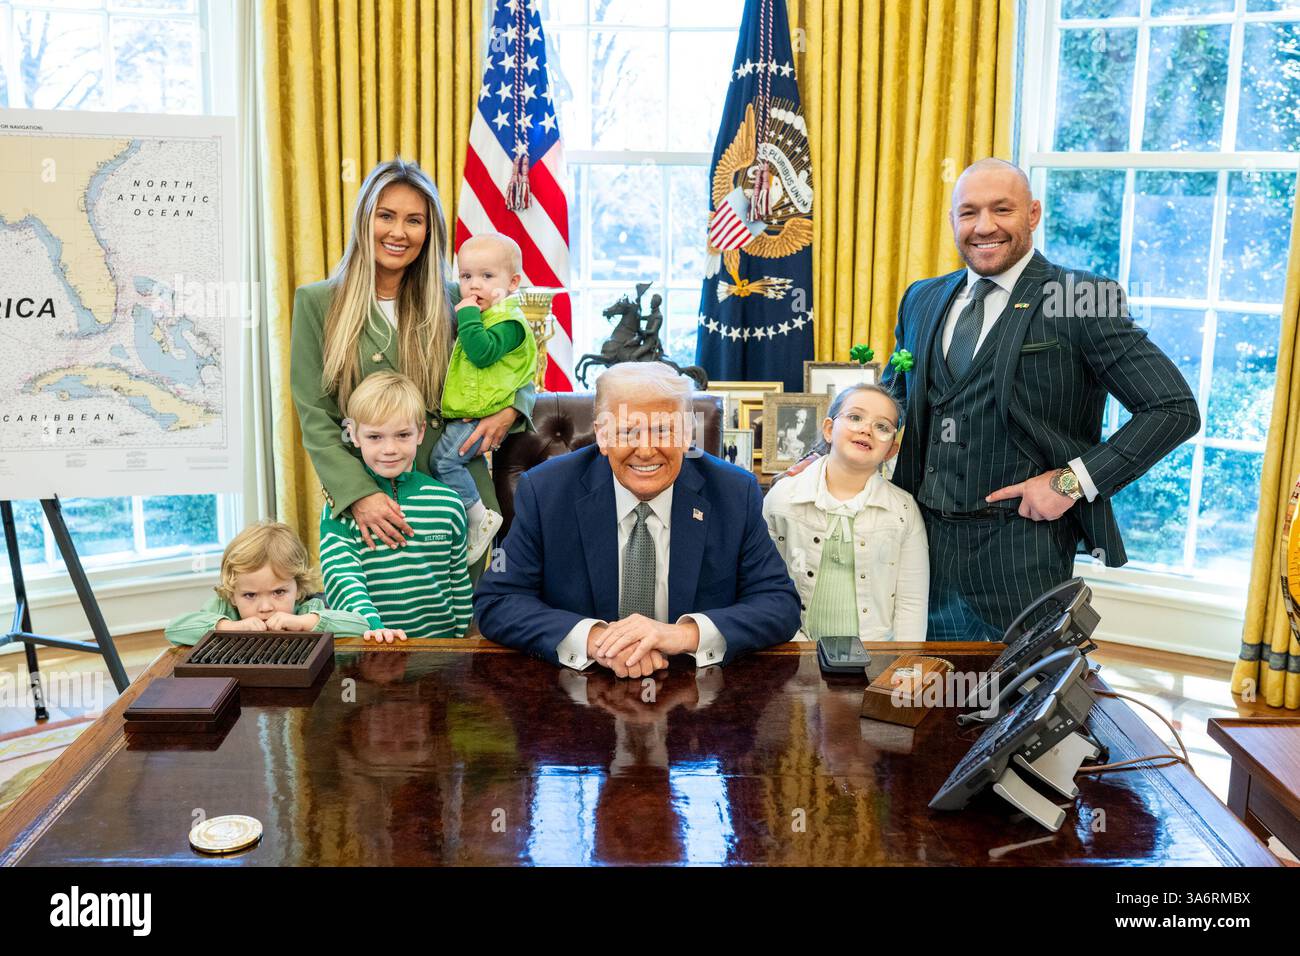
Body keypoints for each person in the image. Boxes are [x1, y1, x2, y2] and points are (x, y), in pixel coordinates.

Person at [880, 157, 1200, 640]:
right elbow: (893, 399)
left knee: (1018, 702)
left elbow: (1173, 410)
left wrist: (1070, 483)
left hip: (1021, 553)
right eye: (968, 213)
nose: (984, 226)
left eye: (1001, 210)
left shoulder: (1082, 299)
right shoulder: (922, 298)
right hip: (918, 544)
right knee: (922, 695)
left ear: (1032, 214)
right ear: (952, 222)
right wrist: (825, 456)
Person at [474, 362, 801, 677]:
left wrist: (681, 635)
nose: (645, 451)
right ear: (602, 436)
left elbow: (779, 604)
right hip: (576, 693)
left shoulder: (734, 493)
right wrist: (597, 640)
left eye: (663, 430)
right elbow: (498, 601)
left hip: (697, 700)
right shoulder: (545, 491)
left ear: (687, 433)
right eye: (628, 431)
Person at [289, 157, 535, 575]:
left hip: (459, 496)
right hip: (376, 499)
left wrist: (513, 406)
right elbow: (315, 415)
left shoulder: (461, 297)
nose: (399, 232)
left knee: (471, 628)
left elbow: (518, 356)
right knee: (382, 631)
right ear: (364, 220)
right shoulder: (318, 303)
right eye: (386, 216)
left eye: (414, 220)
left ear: (430, 230)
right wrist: (359, 494)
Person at [763, 383, 928, 642]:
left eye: (882, 426)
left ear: (892, 450)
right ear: (829, 429)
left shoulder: (903, 510)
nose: (866, 429)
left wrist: (904, 664)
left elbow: (911, 602)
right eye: (855, 417)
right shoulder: (783, 497)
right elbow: (763, 586)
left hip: (875, 656)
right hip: (794, 649)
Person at [320, 371, 473, 643]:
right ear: (353, 435)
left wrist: (458, 639)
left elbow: (458, 580)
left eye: (402, 434)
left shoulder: (448, 503)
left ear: (420, 432)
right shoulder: (340, 509)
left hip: (440, 651)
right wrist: (373, 626)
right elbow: (342, 578)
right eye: (375, 437)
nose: (389, 449)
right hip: (372, 647)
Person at [430, 232, 538, 563]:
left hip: (483, 417)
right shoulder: (485, 313)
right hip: (469, 412)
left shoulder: (506, 320)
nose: (474, 285)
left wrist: (466, 315)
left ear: (513, 281)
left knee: (445, 461)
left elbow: (481, 353)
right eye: (466, 276)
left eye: (487, 276)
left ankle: (479, 517)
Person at [165, 521, 368, 646]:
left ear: (298, 588)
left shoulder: (307, 609)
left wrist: (303, 623)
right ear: (232, 595)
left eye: (279, 592)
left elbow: (360, 625)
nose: (265, 608)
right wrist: (231, 627)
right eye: (250, 595)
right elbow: (174, 630)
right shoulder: (222, 609)